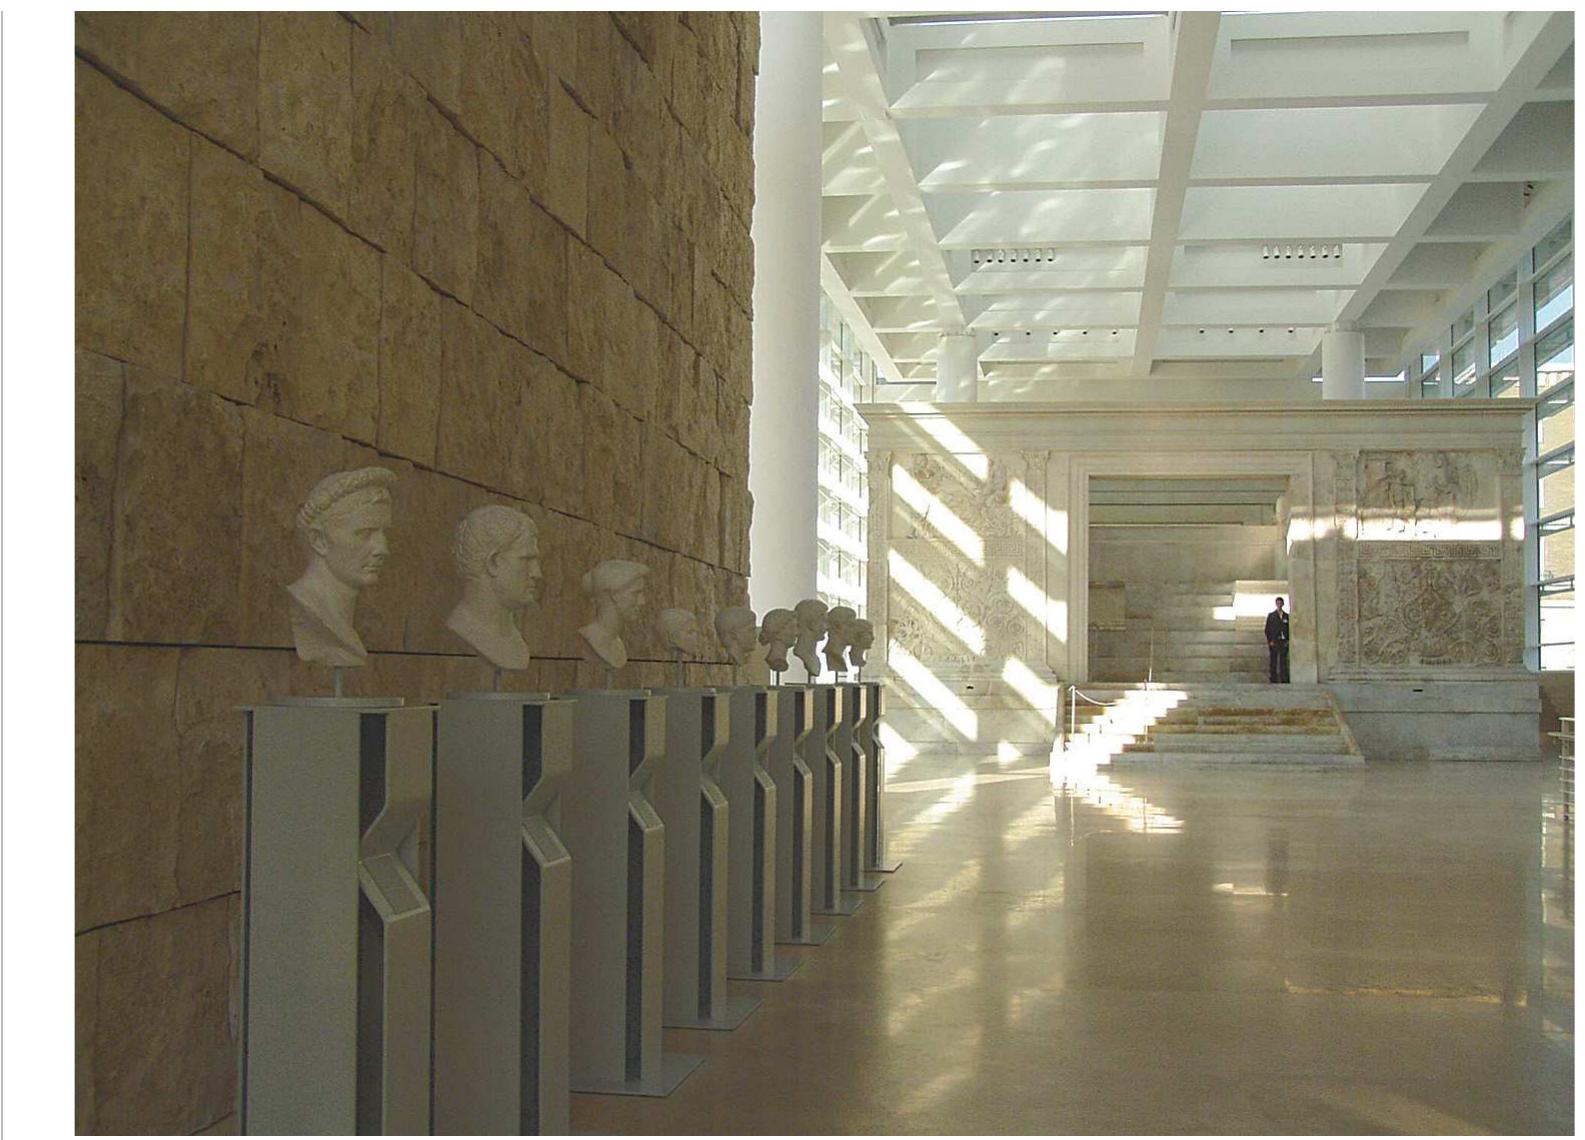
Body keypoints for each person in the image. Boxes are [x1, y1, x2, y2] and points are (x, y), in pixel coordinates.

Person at [1265, 596, 1290, 684]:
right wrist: (1270, 641)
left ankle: (1284, 678)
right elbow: (1267, 629)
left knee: (1283, 661)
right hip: (1274, 641)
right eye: (1278, 603)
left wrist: (1288, 640)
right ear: (1276, 604)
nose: (1279, 605)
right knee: (1273, 660)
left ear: (1283, 604)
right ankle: (1273, 678)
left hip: (1283, 641)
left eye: (1280, 603)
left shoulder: (1287, 616)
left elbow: (1289, 629)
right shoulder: (1271, 616)